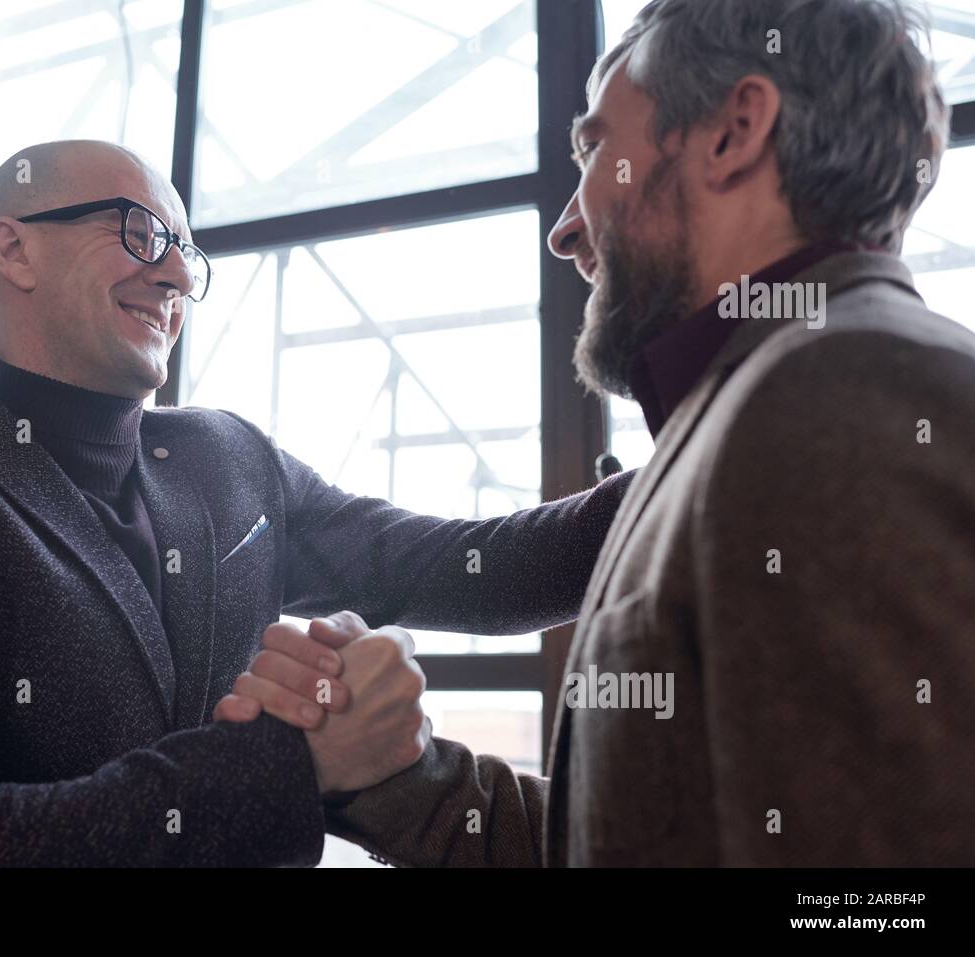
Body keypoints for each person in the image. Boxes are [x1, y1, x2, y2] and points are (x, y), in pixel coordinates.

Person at [219, 0, 975, 866]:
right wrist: (399, 775)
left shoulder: (849, 399)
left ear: (734, 131)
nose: (566, 225)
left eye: (595, 151)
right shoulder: (753, 412)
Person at [0, 139, 635, 866]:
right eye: (143, 232)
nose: (178, 270)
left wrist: (701, 450)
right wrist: (294, 764)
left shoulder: (228, 455)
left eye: (188, 247)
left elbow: (479, 570)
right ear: (16, 248)